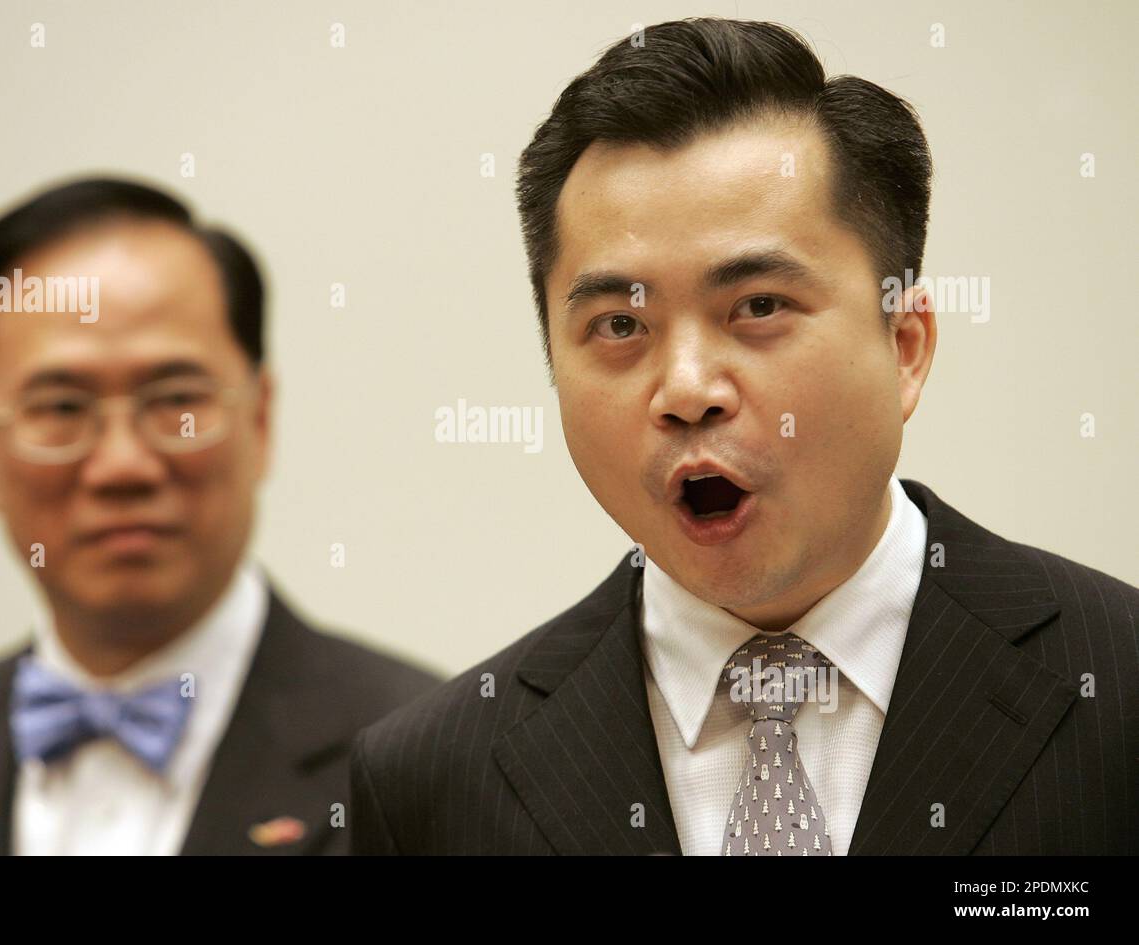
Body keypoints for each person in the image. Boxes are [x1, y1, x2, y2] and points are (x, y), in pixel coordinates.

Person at [349, 17, 1137, 855]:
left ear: (904, 347)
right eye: (620, 323)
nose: (686, 389)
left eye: (758, 307)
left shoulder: (1117, 689)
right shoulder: (432, 781)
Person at [0, 177, 440, 855]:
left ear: (260, 419)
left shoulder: (428, 765)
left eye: (177, 400)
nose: (123, 464)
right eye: (61, 408)